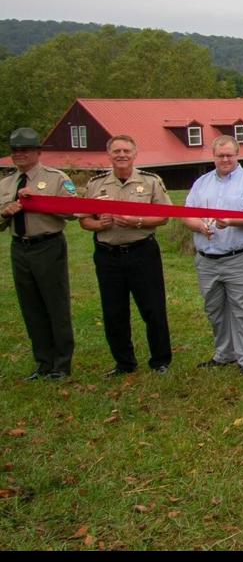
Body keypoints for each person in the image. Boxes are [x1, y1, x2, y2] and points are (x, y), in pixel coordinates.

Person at [79, 134, 173, 377]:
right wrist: (98, 226)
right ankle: (124, 363)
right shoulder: (96, 185)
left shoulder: (150, 181)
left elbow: (164, 216)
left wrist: (137, 221)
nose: (121, 155)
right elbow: (84, 220)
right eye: (116, 151)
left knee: (153, 308)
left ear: (134, 154)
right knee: (114, 311)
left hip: (142, 252)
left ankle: (160, 360)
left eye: (126, 151)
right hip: (108, 255)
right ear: (109, 154)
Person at [183, 135, 243, 375]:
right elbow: (186, 214)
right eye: (221, 155)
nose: (225, 159)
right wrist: (199, 226)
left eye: (230, 155)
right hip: (208, 258)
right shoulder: (201, 183)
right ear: (214, 156)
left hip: (240, 256)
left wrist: (231, 221)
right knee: (215, 308)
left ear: (237, 155)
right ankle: (225, 353)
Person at [1, 127, 78, 380]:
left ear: (38, 152)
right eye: (15, 150)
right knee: (31, 306)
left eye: (25, 150)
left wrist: (40, 200)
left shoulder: (55, 178)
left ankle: (61, 363)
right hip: (20, 247)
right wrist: (5, 212)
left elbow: (72, 212)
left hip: (48, 245)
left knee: (55, 304)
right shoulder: (6, 183)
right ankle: (43, 362)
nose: (19, 154)